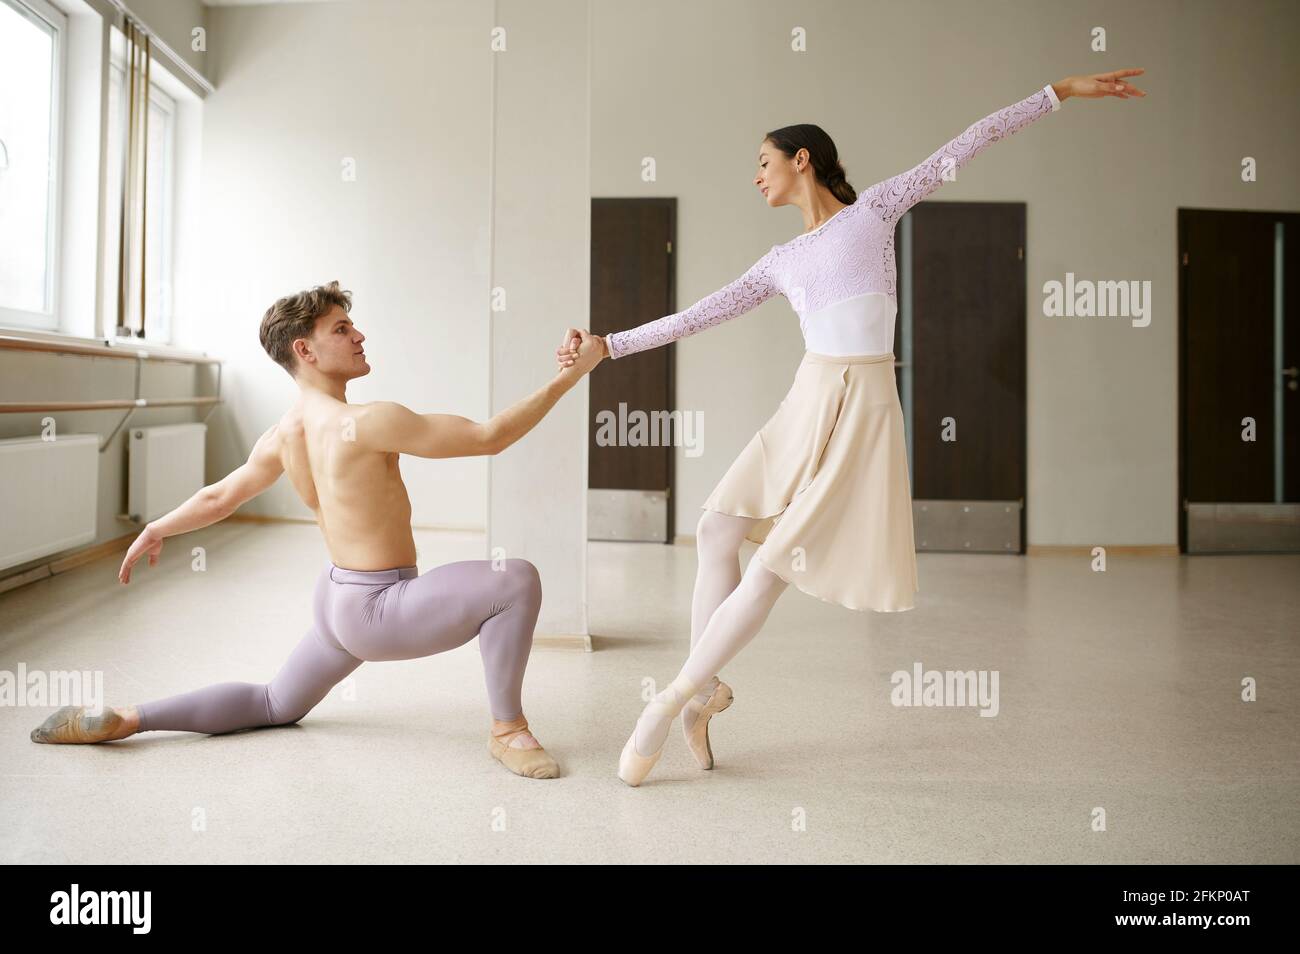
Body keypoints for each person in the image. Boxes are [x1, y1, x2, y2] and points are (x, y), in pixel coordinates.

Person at [556, 70, 1146, 786]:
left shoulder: (876, 211)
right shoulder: (780, 261)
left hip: (862, 407)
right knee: (717, 529)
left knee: (775, 565)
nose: (756, 178)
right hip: (808, 398)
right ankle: (707, 690)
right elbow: (698, 315)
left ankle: (673, 700)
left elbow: (969, 141)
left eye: (763, 163)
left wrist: (1060, 92)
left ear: (802, 159)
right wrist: (608, 345)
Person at [30, 281, 604, 780]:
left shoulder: (285, 432)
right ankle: (508, 730)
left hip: (335, 600)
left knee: (276, 703)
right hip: (379, 606)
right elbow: (488, 438)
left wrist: (157, 526)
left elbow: (220, 496)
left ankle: (131, 718)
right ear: (305, 349)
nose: (359, 336)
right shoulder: (370, 420)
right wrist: (570, 376)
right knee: (516, 581)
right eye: (342, 328)